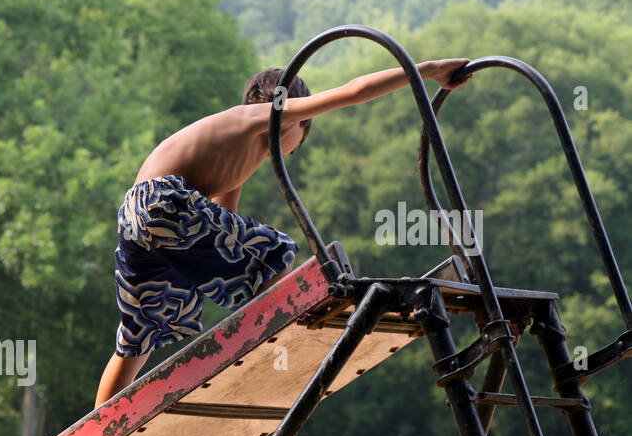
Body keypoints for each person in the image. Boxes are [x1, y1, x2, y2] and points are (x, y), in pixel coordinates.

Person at [95, 58, 472, 407]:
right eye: (297, 145)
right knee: (275, 252)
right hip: (163, 202)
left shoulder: (235, 145)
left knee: (142, 331)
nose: (289, 154)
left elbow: (226, 224)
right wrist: (432, 69)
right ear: (294, 124)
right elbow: (355, 90)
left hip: (137, 219)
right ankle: (285, 338)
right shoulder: (269, 116)